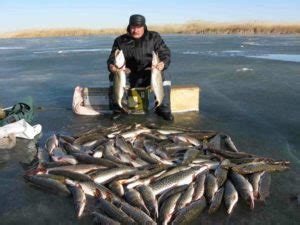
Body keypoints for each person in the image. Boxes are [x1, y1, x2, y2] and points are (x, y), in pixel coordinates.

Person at [107, 14, 174, 121]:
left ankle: (163, 108)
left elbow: (165, 53)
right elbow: (111, 58)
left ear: (144, 26)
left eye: (139, 27)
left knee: (165, 73)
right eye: (133, 27)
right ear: (129, 26)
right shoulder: (120, 40)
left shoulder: (154, 37)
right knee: (113, 75)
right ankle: (118, 108)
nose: (135, 30)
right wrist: (111, 66)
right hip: (129, 76)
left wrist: (162, 63)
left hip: (149, 75)